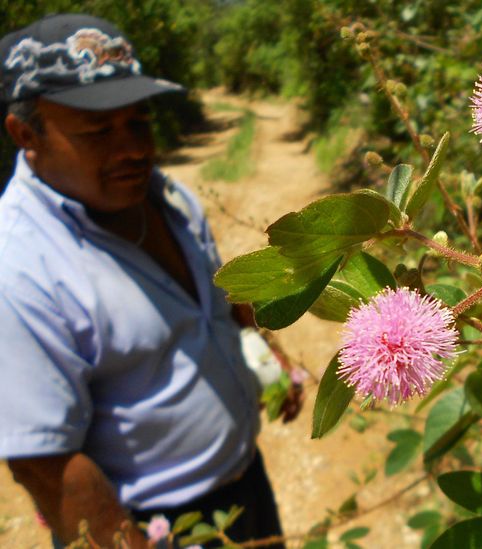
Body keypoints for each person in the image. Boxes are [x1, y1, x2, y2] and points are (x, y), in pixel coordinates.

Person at [0, 14, 296, 547]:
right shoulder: (18, 268)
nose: (134, 148)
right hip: (155, 528)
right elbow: (48, 467)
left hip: (246, 487)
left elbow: (219, 294)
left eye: (139, 122)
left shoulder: (167, 195)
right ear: (26, 134)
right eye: (98, 132)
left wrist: (267, 355)